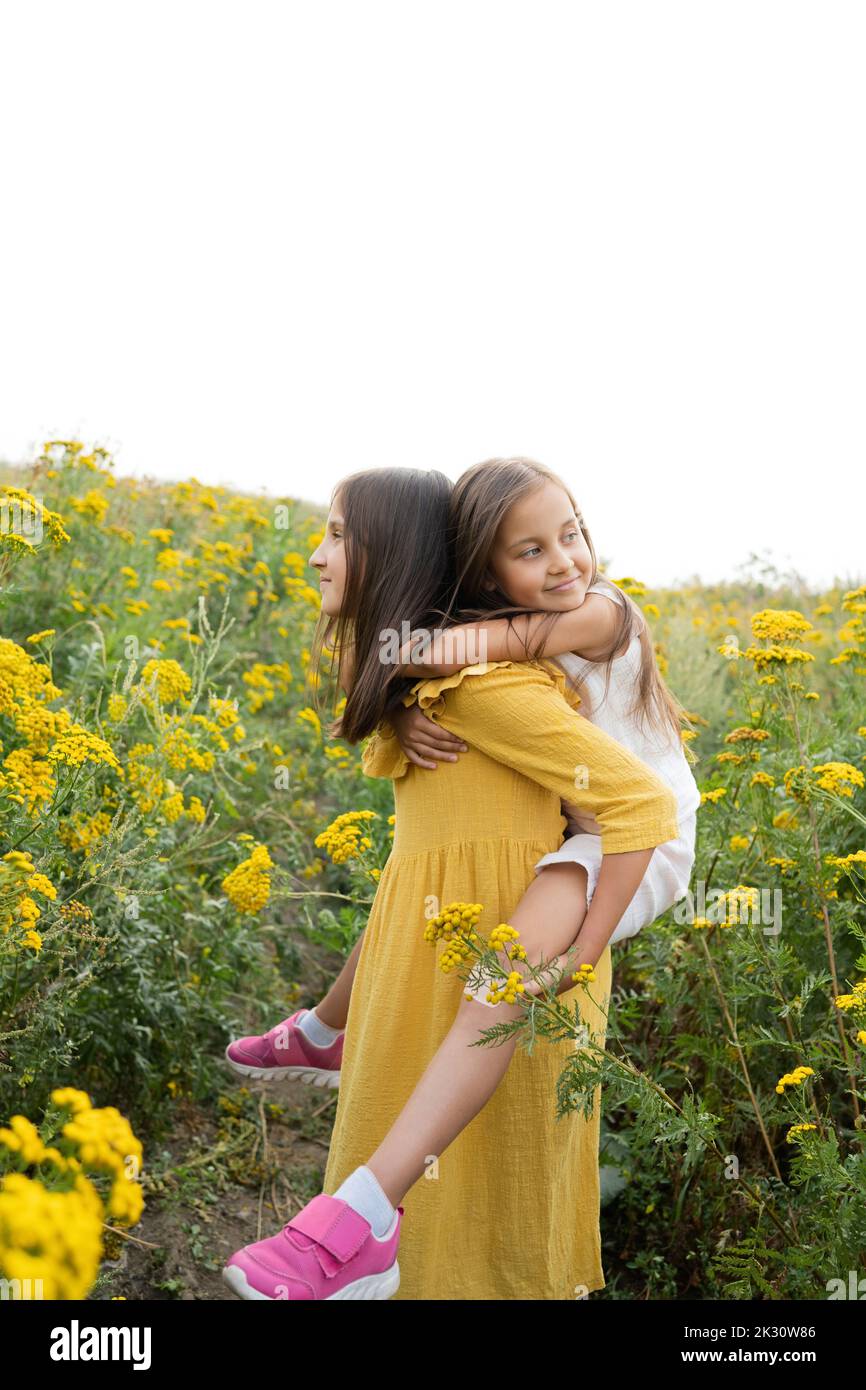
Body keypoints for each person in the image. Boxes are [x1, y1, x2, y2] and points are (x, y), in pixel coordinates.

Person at [223, 461, 680, 1300]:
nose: (565, 560)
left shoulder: (599, 613)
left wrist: (585, 944)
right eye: (532, 549)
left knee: (499, 983)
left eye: (336, 534)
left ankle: (364, 1214)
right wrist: (403, 695)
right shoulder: (469, 672)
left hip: (636, 841)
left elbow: (637, 804)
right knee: (439, 917)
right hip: (597, 829)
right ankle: (329, 1033)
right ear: (488, 571)